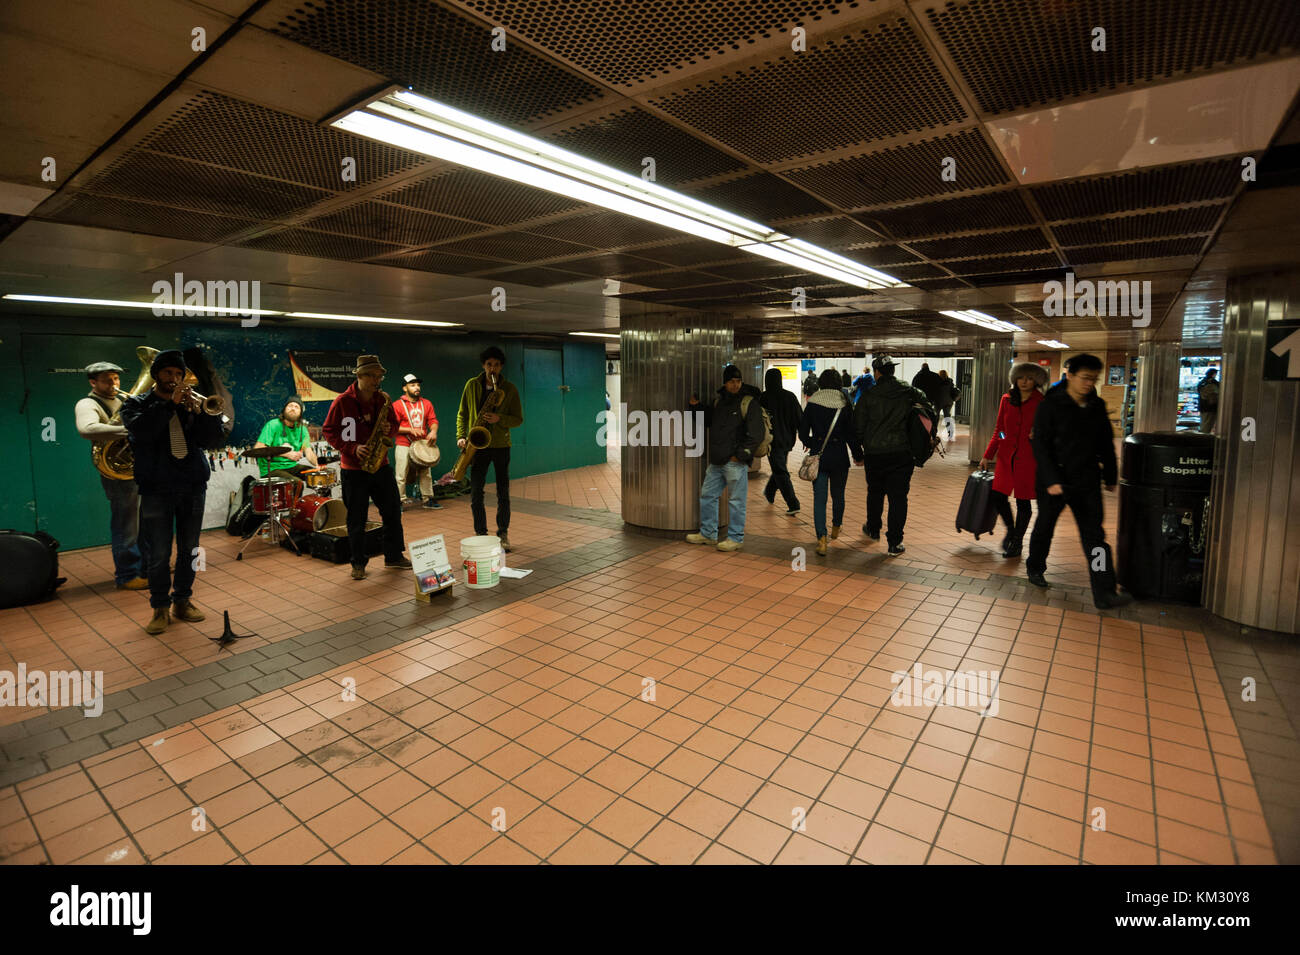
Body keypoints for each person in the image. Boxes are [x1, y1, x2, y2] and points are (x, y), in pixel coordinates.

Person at [121, 350, 225, 634]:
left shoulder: (189, 404)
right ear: (157, 375)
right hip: (157, 489)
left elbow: (211, 439)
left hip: (192, 486)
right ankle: (159, 607)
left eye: (178, 374)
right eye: (168, 373)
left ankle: (183, 601)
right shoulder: (135, 405)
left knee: (190, 549)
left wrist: (203, 414)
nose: (174, 379)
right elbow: (142, 432)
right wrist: (169, 406)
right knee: (159, 552)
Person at [1026, 353, 1131, 609]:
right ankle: (1035, 567)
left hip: (1085, 481)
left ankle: (1105, 592)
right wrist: (1051, 479)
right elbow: (1039, 444)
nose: (1089, 384)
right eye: (1085, 378)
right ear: (1070, 376)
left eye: (1093, 379)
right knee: (1044, 527)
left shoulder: (1096, 406)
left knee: (1095, 538)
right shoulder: (1050, 405)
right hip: (1054, 482)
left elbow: (1106, 443)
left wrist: (1110, 476)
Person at [322, 355, 411, 580]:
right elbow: (329, 431)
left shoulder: (382, 400)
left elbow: (395, 426)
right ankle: (358, 563)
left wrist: (388, 428)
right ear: (360, 376)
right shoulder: (342, 401)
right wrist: (352, 448)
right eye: (372, 376)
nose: (376, 380)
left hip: (380, 465)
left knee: (392, 512)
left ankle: (393, 556)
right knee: (356, 518)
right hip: (354, 469)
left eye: (378, 376)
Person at [853, 355, 936, 557]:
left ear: (877, 372)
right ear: (893, 371)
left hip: (874, 453)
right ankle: (894, 542)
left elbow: (857, 427)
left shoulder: (869, 395)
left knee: (875, 492)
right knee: (898, 498)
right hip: (902, 453)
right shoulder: (909, 391)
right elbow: (929, 410)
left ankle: (873, 528)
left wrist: (859, 453)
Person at [75, 361, 147, 590]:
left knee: (142, 521)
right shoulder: (87, 403)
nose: (114, 383)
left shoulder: (121, 400)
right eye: (107, 379)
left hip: (135, 468)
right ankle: (127, 575)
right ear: (93, 382)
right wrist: (128, 430)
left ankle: (144, 566)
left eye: (116, 378)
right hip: (115, 473)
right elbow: (87, 429)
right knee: (126, 524)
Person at [685, 364, 764, 552]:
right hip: (717, 460)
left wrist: (740, 456)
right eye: (731, 381)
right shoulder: (718, 402)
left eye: (738, 381)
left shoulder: (748, 403)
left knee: (736, 501)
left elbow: (756, 434)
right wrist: (695, 407)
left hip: (735, 462)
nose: (735, 385)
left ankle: (736, 537)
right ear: (725, 383)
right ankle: (708, 533)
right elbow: (709, 421)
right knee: (707, 495)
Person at [456, 346, 524, 552]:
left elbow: (518, 419)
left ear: (501, 366)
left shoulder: (509, 389)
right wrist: (461, 436)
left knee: (503, 492)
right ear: (483, 365)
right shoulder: (471, 385)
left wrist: (499, 419)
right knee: (476, 492)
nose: (492, 369)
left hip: (501, 445)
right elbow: (462, 413)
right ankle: (481, 533)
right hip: (477, 445)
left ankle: (502, 533)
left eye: (496, 365)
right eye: (488, 365)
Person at [979, 363, 1047, 558]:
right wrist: (990, 451)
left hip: (1028, 459)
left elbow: (1050, 430)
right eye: (1021, 377)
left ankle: (1017, 543)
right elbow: (999, 427)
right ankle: (1011, 529)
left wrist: (1039, 434)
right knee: (998, 496)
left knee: (1023, 502)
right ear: (1015, 379)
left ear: (1036, 381)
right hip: (1005, 458)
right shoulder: (1006, 399)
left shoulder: (1041, 402)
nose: (1025, 382)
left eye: (1030, 378)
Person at [801, 369, 864, 555]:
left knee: (819, 500)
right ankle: (836, 526)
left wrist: (813, 443)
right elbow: (851, 434)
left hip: (818, 458)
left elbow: (803, 433)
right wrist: (858, 455)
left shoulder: (812, 403)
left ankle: (821, 538)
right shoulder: (845, 404)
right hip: (839, 457)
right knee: (838, 495)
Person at [392, 373, 440, 509]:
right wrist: (410, 430)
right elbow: (393, 426)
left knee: (426, 473)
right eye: (412, 385)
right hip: (404, 443)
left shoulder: (427, 403)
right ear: (404, 388)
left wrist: (433, 431)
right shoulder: (397, 405)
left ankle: (427, 499)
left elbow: (433, 420)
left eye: (418, 385)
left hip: (422, 443)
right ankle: (399, 501)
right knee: (401, 474)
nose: (416, 387)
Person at [760, 367, 802, 516]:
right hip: (787, 441)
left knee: (780, 470)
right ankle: (770, 491)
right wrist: (804, 439)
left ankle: (793, 503)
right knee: (780, 468)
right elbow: (799, 419)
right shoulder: (789, 397)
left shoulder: (763, 398)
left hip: (771, 441)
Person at [252, 397, 318, 479]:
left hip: (291, 466)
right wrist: (287, 454)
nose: (293, 408)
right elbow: (258, 448)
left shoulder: (303, 430)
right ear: (284, 410)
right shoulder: (273, 425)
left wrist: (318, 464)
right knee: (296, 483)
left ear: (300, 413)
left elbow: (309, 452)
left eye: (296, 407)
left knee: (317, 475)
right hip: (271, 469)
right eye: (290, 406)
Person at [933, 369, 960, 442]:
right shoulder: (950, 381)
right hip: (948, 402)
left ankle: (933, 432)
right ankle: (950, 433)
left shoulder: (936, 382)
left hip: (938, 402)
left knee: (936, 417)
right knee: (947, 417)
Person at [1197, 368, 1219, 434]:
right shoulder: (1212, 383)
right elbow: (1213, 395)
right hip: (1210, 408)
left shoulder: (1202, 382)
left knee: (1204, 424)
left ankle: (1203, 437)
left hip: (1203, 407)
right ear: (1213, 374)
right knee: (1207, 426)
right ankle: (1203, 439)